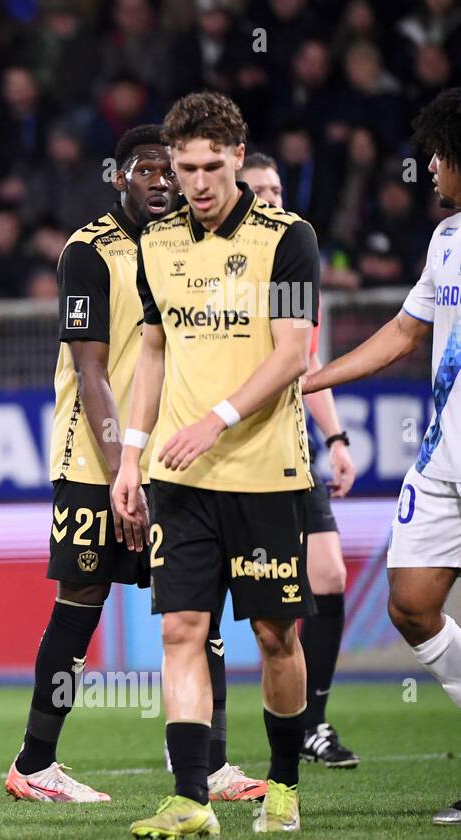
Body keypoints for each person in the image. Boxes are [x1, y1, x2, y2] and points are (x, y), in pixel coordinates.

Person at [6, 124, 264, 805]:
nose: (159, 182)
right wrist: (125, 461)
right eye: (145, 170)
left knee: (196, 608)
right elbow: (91, 370)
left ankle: (210, 764)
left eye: (167, 172)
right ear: (117, 176)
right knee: (80, 605)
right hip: (96, 458)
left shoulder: (188, 247)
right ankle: (34, 764)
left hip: (172, 459)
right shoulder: (90, 251)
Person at [114, 92, 321, 839]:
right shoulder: (156, 244)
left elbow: (295, 351)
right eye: (184, 168)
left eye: (210, 166)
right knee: (182, 632)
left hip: (263, 471)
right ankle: (191, 798)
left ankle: (285, 784)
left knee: (275, 636)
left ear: (238, 157)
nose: (196, 183)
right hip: (180, 478)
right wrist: (131, 458)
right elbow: (155, 351)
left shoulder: (289, 238)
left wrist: (218, 420)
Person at [301, 88, 461, 826]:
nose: (428, 166)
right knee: (411, 602)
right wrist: (309, 380)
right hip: (442, 461)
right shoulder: (446, 240)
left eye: (438, 153)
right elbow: (403, 333)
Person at [241, 152, 362, 769]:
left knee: (332, 575)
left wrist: (336, 440)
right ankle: (200, 746)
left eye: (278, 189)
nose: (271, 200)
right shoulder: (221, 266)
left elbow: (307, 363)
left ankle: (312, 723)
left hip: (292, 446)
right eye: (259, 190)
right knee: (207, 605)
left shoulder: (294, 258)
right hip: (230, 451)